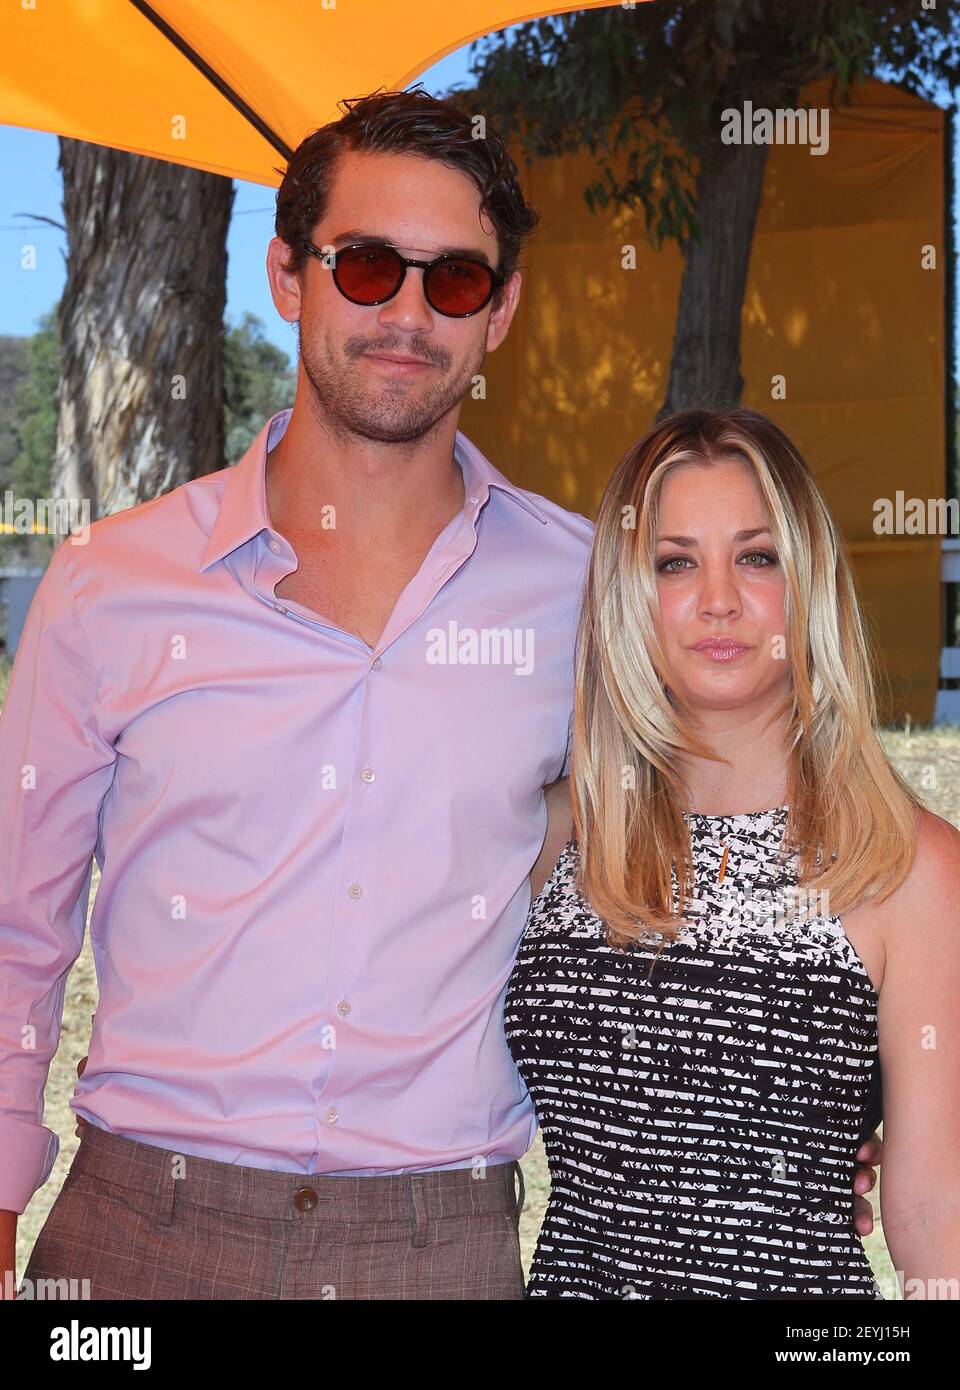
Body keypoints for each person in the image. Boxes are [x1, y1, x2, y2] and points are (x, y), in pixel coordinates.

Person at [0, 89, 879, 1303]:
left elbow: (739, 805)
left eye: (455, 281)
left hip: (438, 1248)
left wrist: (854, 1084)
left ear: (501, 310)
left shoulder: (592, 588)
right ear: (288, 276)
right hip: (135, 1237)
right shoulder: (110, 587)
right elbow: (14, 930)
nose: (407, 314)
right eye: (366, 266)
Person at [504, 407, 960, 1299]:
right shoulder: (559, 834)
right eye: (675, 562)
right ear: (629, 594)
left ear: (810, 582)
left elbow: (936, 1228)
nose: (718, 599)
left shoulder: (907, 867)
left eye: (757, 557)